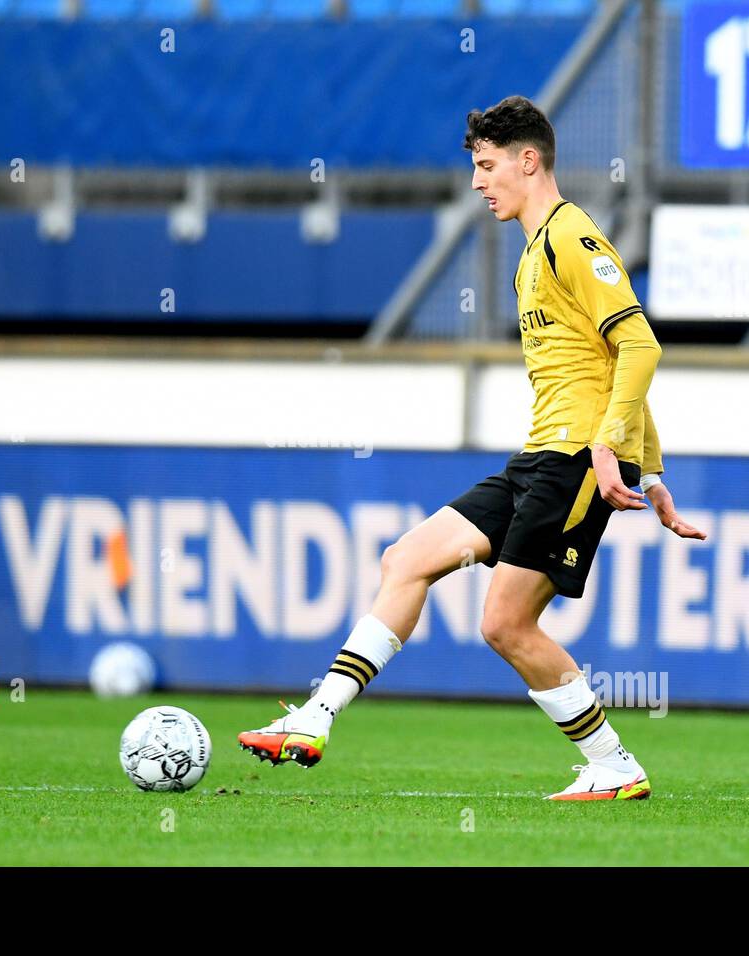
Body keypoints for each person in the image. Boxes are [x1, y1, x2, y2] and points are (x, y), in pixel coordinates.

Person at [238, 97, 707, 800]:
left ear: (528, 160)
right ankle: (314, 717)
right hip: (542, 458)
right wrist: (654, 468)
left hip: (577, 460)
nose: (478, 182)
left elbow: (640, 344)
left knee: (506, 623)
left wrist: (615, 450)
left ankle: (614, 764)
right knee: (406, 559)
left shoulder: (571, 239)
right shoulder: (530, 251)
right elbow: (612, 367)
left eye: (487, 166)